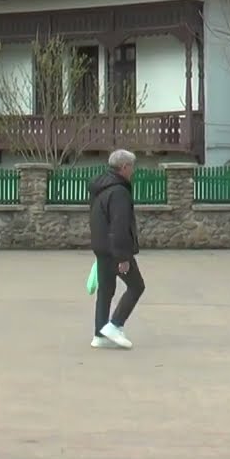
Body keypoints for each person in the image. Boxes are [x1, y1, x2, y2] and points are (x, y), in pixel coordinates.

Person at [88, 149, 145, 350]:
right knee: (137, 286)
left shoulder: (100, 187)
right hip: (115, 250)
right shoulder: (119, 191)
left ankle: (99, 334)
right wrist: (123, 256)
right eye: (132, 167)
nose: (133, 172)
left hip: (101, 247)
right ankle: (115, 324)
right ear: (124, 167)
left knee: (105, 291)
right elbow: (119, 226)